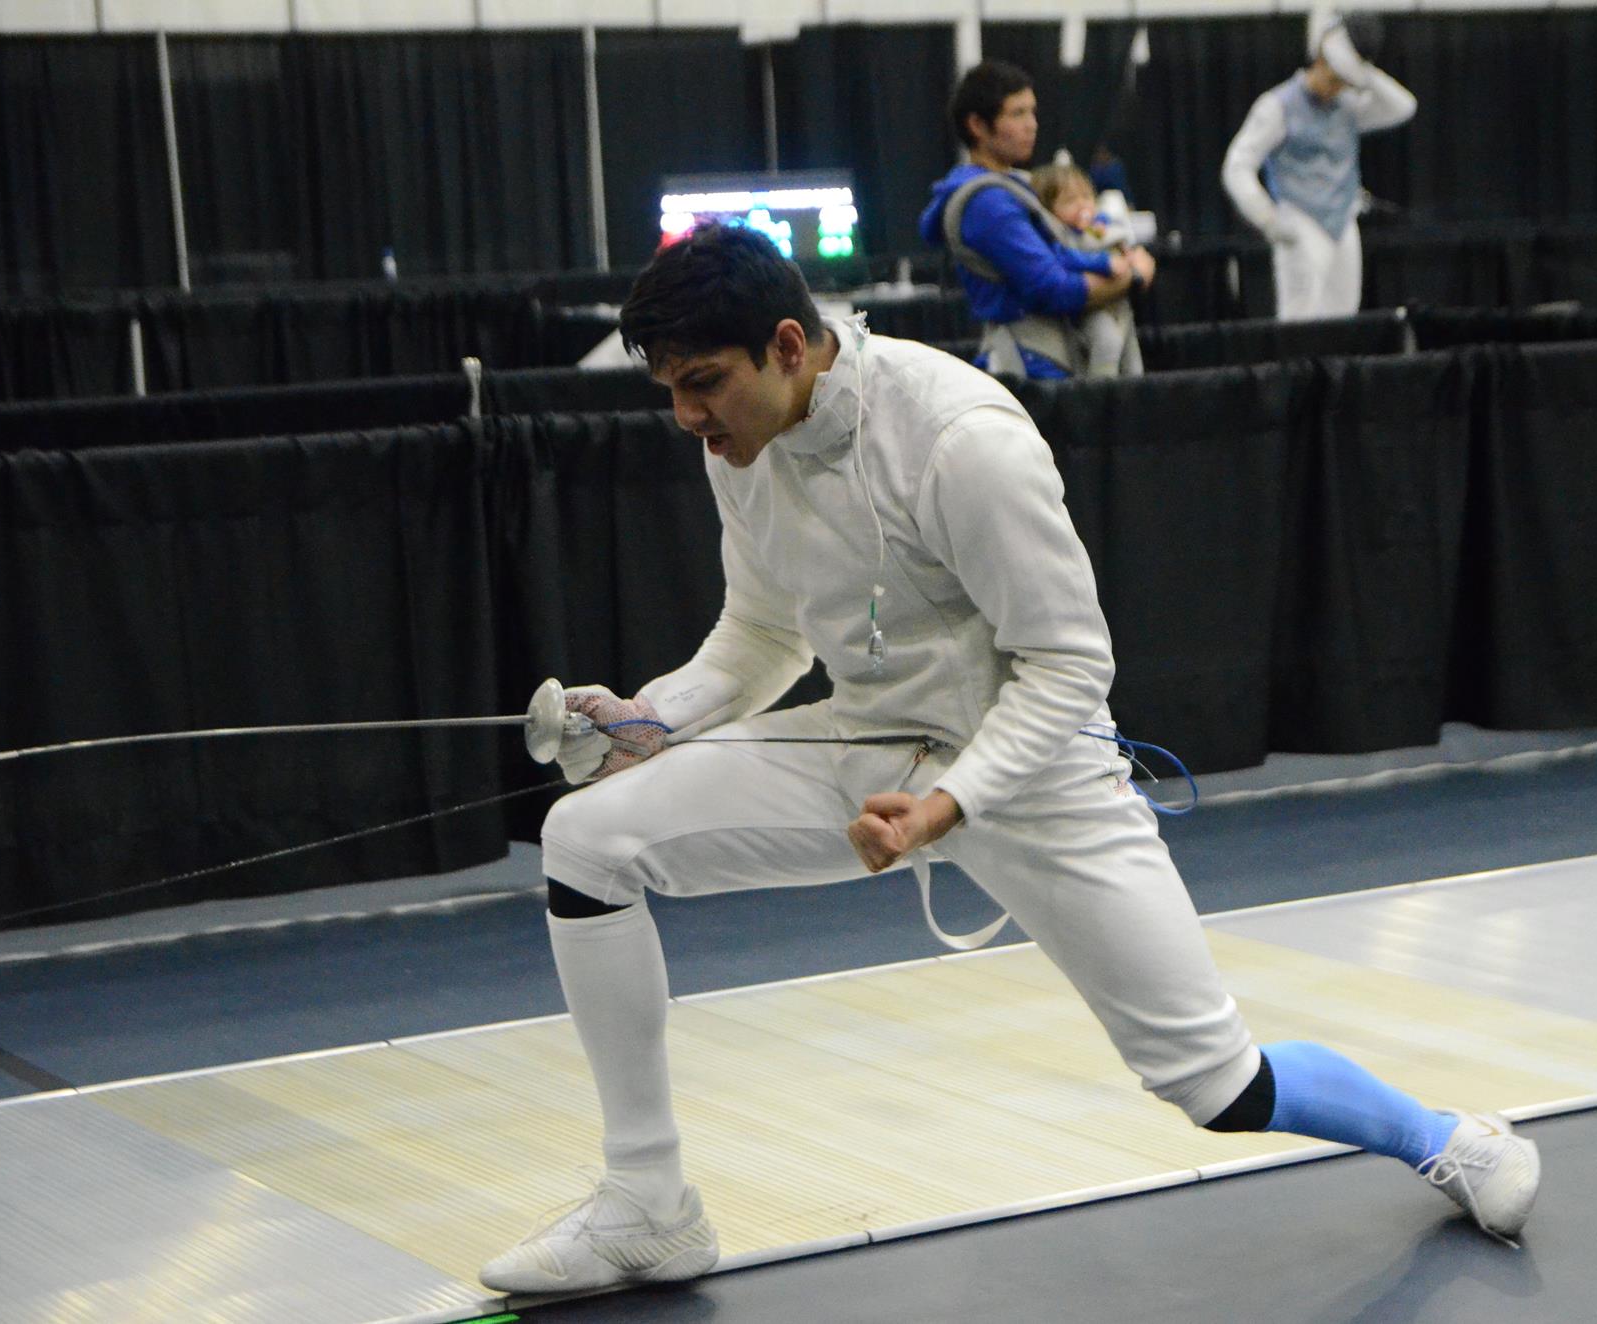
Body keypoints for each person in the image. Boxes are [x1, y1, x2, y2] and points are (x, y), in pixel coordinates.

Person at [474, 224, 1541, 1297]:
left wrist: (947, 805)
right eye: (668, 389)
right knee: (588, 839)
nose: (686, 417)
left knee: (1217, 1084)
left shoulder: (957, 437)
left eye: (702, 384)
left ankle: (1453, 1138)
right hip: (869, 745)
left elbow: (1070, 665)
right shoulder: (740, 450)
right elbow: (760, 635)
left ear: (788, 346)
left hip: (1036, 773)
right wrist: (656, 718)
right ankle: (649, 1209)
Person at [919, 60, 1156, 378]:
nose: (1032, 124)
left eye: (1032, 112)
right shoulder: (988, 202)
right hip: (1032, 369)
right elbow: (1053, 289)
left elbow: (1075, 237)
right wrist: (1133, 275)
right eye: (1017, 114)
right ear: (977, 125)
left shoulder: (1015, 186)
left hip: (1051, 359)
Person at [1221, 7, 1416, 321]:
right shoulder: (1278, 105)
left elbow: (1404, 107)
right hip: (1300, 222)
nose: (1337, 88)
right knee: (1301, 321)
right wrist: (1268, 219)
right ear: (1320, 59)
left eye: (1345, 82)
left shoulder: (1347, 107)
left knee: (1344, 319)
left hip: (1343, 222)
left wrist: (1363, 70)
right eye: (1335, 78)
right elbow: (1237, 166)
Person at [1031, 162, 1144, 378]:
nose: (1083, 206)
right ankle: (1101, 399)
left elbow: (1118, 239)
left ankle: (1135, 399)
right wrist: (1103, 263)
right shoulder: (1059, 237)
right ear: (1049, 209)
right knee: (1107, 343)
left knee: (1132, 361)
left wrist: (1126, 251)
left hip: (1120, 305)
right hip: (1092, 310)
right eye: (1070, 201)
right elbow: (1066, 258)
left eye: (1087, 197)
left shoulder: (1097, 227)